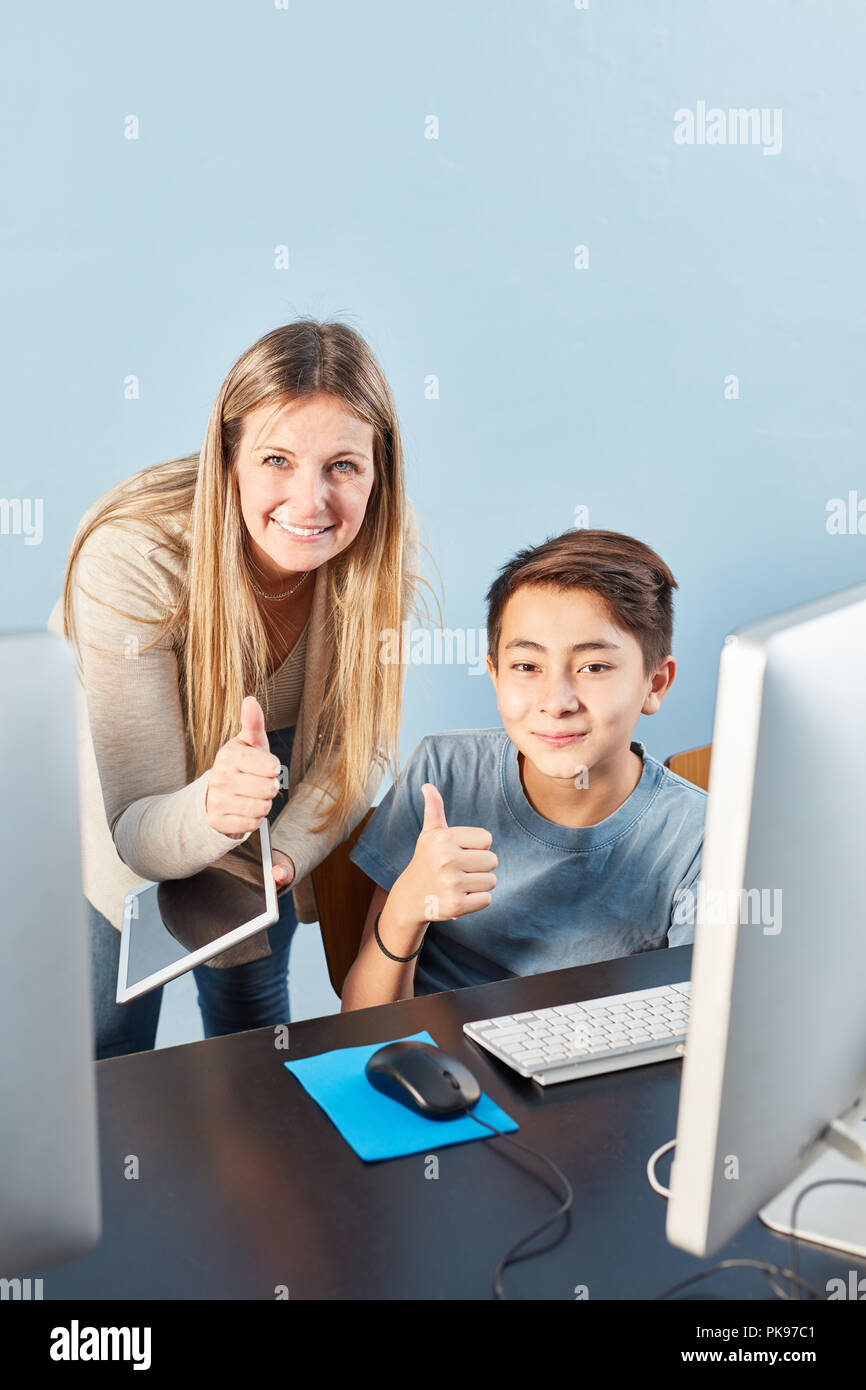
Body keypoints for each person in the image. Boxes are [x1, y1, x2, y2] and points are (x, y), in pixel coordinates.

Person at [47, 319, 424, 1057]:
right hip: (119, 766)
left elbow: (356, 749)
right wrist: (213, 811)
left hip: (264, 758)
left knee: (252, 1004)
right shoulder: (133, 557)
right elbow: (138, 829)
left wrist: (281, 857)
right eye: (277, 458)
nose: (310, 502)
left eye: (343, 465)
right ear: (228, 460)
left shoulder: (379, 545)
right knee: (110, 1034)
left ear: (379, 471)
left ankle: (259, 1137)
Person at [341, 528, 706, 1010]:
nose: (556, 702)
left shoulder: (700, 837)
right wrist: (406, 910)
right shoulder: (442, 774)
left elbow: (701, 1023)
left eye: (594, 667)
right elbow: (362, 1019)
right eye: (527, 667)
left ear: (654, 684)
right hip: (438, 1050)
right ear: (495, 675)